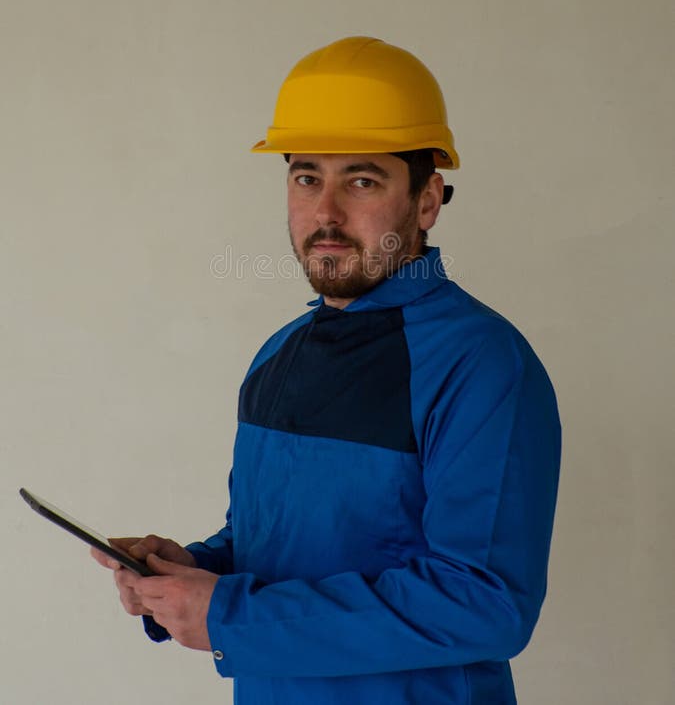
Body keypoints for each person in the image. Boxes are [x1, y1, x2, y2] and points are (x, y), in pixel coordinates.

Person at [92, 36, 561, 704]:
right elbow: (274, 545)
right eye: (307, 175)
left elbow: (484, 603)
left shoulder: (480, 364)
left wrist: (231, 615)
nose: (326, 211)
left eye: (362, 180)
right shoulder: (277, 356)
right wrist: (196, 569)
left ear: (426, 201)